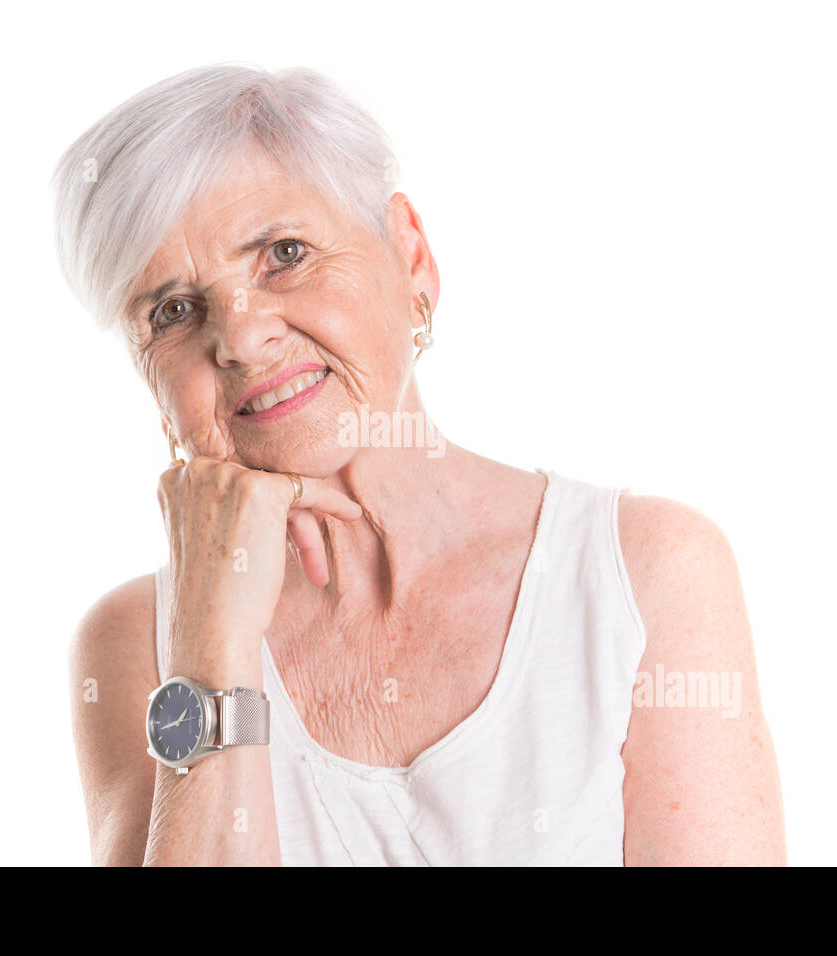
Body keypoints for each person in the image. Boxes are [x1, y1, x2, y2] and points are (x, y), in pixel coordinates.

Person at [52, 63, 787, 865]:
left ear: (411, 257)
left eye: (284, 254)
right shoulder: (139, 643)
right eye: (175, 311)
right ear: (152, 385)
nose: (239, 337)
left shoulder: (645, 569)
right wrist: (212, 644)